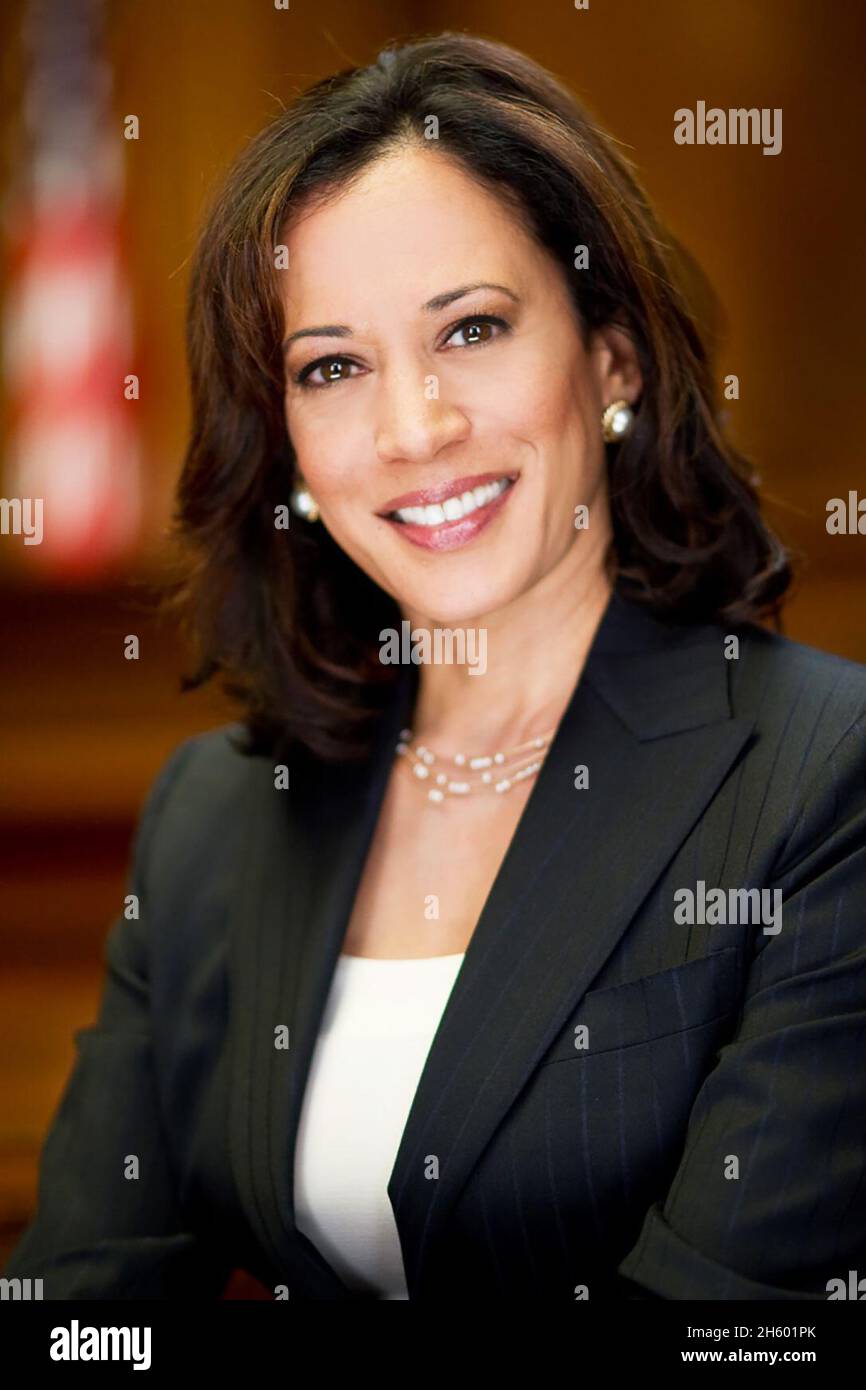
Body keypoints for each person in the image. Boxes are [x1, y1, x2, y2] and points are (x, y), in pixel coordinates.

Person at [6, 31, 866, 1301]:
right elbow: (82, 1315)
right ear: (287, 438)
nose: (413, 429)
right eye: (333, 366)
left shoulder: (821, 775)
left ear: (610, 356)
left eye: (469, 328)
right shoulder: (214, 818)